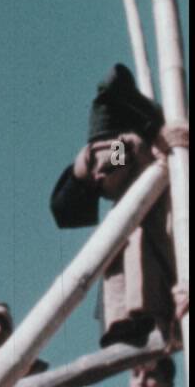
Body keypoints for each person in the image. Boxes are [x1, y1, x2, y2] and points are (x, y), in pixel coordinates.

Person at [49, 63, 182, 348]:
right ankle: (133, 314)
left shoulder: (131, 145)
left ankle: (135, 313)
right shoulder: (118, 145)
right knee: (130, 241)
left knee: (133, 241)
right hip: (124, 166)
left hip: (138, 178)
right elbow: (67, 204)